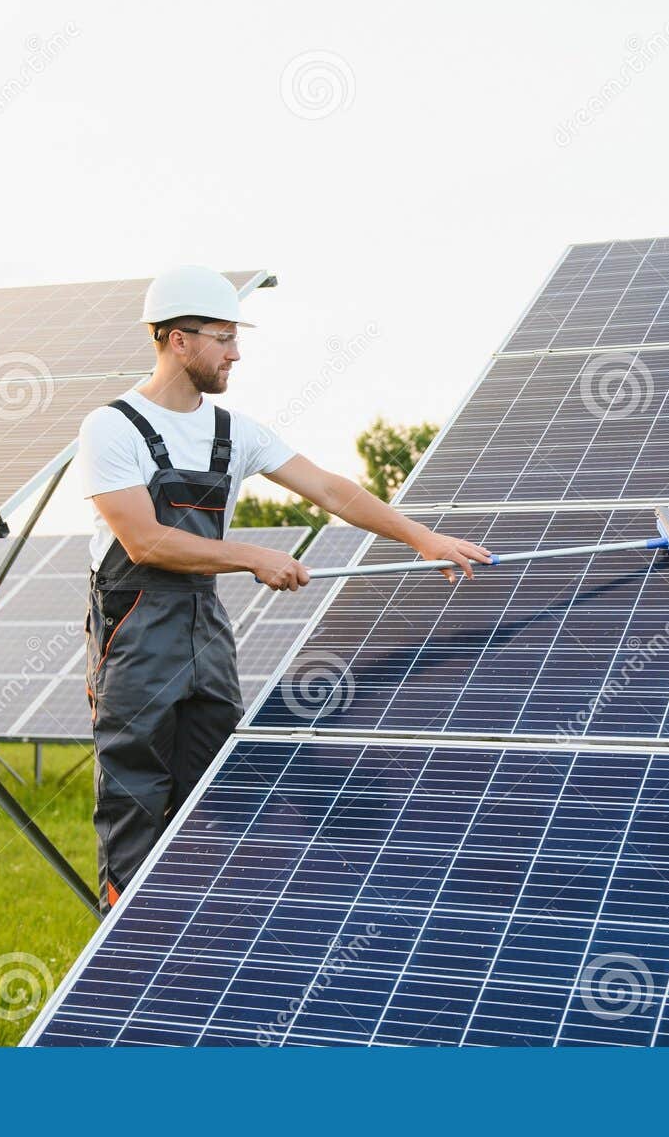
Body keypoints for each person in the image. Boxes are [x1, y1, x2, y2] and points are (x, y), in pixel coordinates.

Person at [77, 265, 489, 912]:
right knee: (135, 804)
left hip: (203, 631)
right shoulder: (112, 428)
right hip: (135, 635)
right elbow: (145, 542)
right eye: (222, 338)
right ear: (177, 340)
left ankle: (198, 955)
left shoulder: (234, 431)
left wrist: (420, 538)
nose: (236, 352)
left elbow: (331, 489)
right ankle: (122, 955)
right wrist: (249, 556)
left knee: (218, 803)